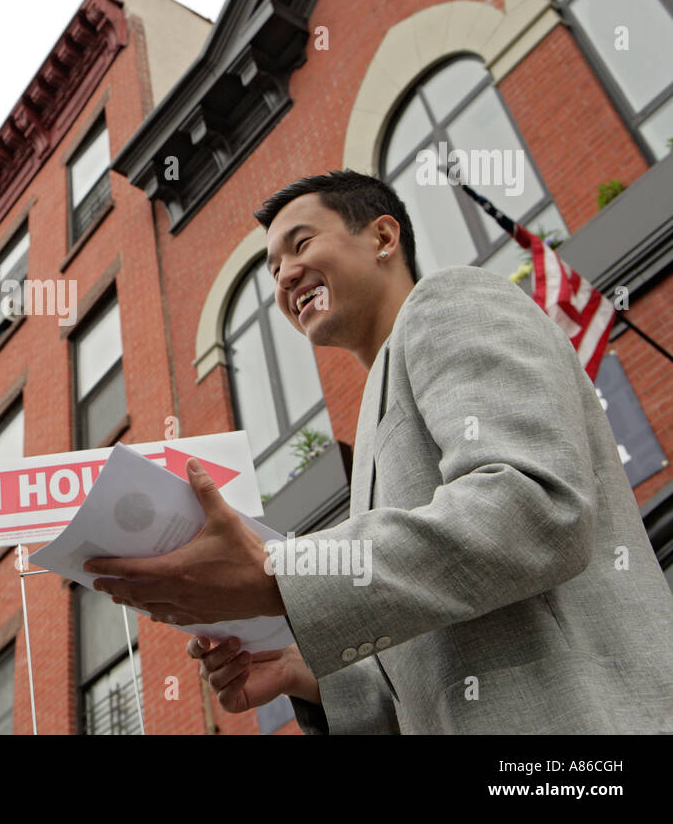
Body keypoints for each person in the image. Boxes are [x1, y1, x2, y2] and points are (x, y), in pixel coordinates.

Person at [85, 170, 673, 733]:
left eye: (301, 243)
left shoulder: (448, 301)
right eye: (273, 268)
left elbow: (533, 509)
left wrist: (284, 576)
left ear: (383, 237)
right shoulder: (374, 415)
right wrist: (305, 671)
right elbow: (428, 678)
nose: (285, 274)